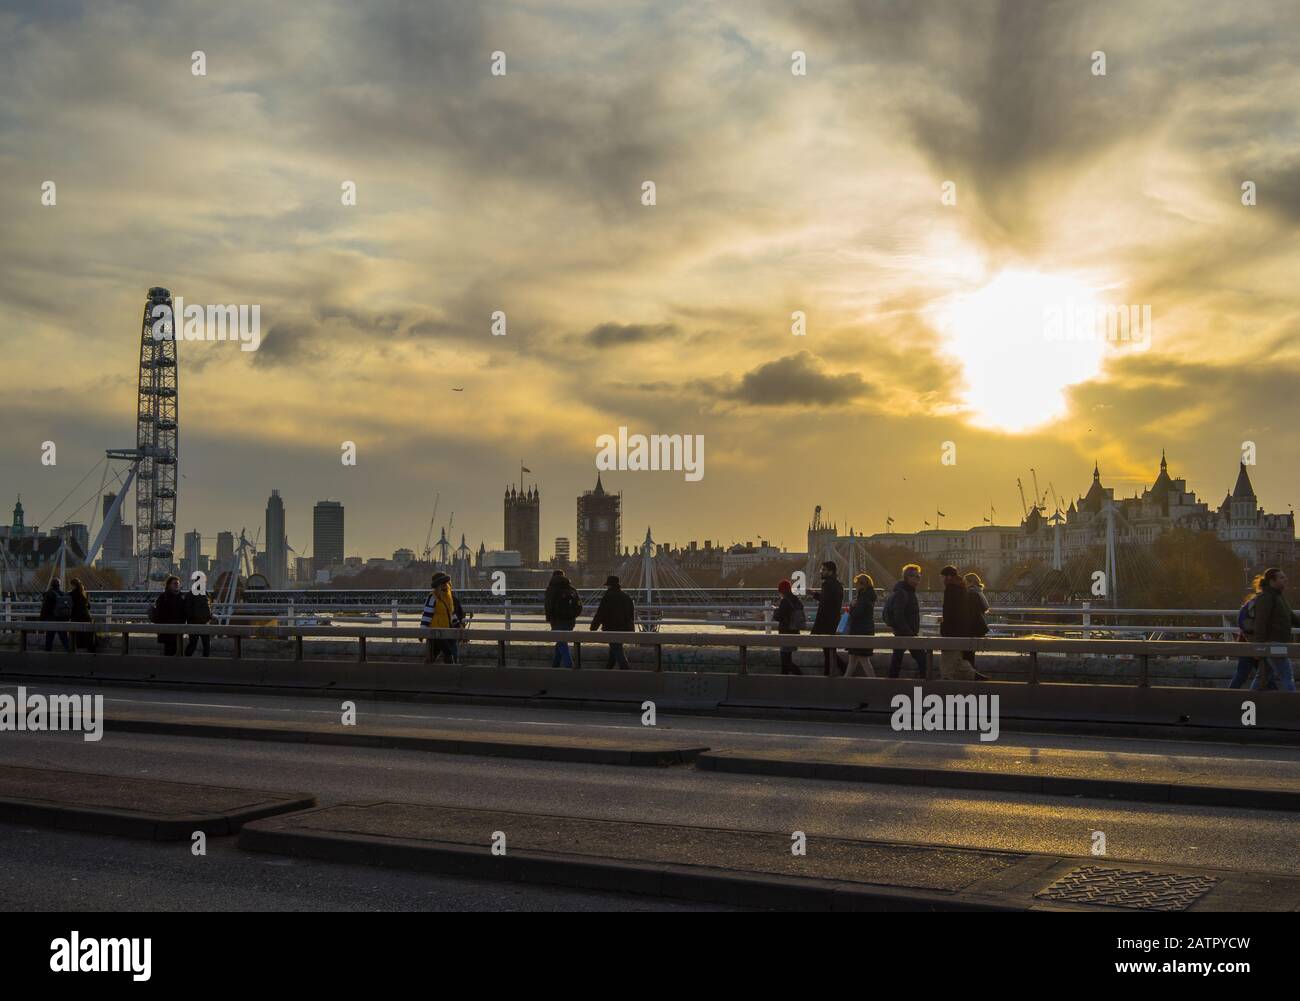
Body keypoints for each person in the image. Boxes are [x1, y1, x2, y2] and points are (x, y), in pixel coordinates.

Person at [1249, 567, 1298, 692]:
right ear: (1272, 581)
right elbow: (1260, 623)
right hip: (1273, 644)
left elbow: (1291, 617)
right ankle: (1294, 706)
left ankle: (1248, 700)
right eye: (1281, 577)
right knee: (1287, 675)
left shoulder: (1279, 596)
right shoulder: (1266, 597)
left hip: (1274, 644)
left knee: (1262, 677)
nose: (1285, 579)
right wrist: (1258, 648)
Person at [883, 564, 926, 678]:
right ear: (907, 577)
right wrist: (909, 633)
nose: (918, 578)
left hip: (904, 633)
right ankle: (926, 681)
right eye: (915, 576)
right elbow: (899, 616)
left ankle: (892, 681)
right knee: (923, 659)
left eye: (919, 576)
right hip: (906, 633)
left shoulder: (907, 591)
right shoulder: (903, 593)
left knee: (897, 660)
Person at [938, 565, 978, 680]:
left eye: (943, 577)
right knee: (958, 662)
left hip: (951, 633)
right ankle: (977, 677)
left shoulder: (950, 589)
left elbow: (949, 613)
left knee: (946, 666)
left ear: (949, 577)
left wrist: (943, 626)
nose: (942, 580)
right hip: (961, 631)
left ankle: (946, 692)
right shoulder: (961, 588)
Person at [810, 561, 848, 676]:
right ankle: (837, 669)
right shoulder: (838, 584)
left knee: (827, 651)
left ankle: (831, 673)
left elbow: (824, 604)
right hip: (834, 621)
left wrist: (814, 594)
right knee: (829, 649)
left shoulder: (827, 584)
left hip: (826, 622)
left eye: (824, 569)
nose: (821, 571)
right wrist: (815, 594)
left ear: (830, 571)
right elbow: (828, 601)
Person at [590, 574, 635, 669]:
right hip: (625, 628)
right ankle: (608, 668)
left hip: (611, 627)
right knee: (615, 647)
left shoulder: (607, 597)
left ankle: (626, 669)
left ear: (609, 585)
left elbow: (601, 613)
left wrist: (594, 626)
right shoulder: (626, 596)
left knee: (616, 648)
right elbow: (631, 614)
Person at [544, 569, 582, 668]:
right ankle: (555, 666)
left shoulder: (551, 589)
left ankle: (569, 666)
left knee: (562, 643)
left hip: (557, 621)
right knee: (561, 642)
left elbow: (548, 606)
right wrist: (573, 616)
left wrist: (549, 618)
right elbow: (579, 606)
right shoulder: (572, 589)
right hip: (570, 621)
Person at [420, 572, 458, 663]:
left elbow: (451, 613)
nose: (445, 586)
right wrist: (422, 631)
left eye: (446, 584)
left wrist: (458, 625)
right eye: (443, 584)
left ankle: (425, 672)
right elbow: (427, 615)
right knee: (448, 653)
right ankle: (450, 672)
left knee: (433, 655)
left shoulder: (447, 597)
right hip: (436, 632)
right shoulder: (432, 597)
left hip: (447, 631)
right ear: (438, 586)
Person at [844, 573, 875, 677]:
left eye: (857, 584)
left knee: (863, 659)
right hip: (865, 630)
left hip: (860, 631)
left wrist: (852, 606)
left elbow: (857, 614)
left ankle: (875, 683)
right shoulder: (869, 596)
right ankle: (844, 682)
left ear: (862, 585)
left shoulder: (863, 597)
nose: (856, 587)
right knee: (852, 659)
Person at [962, 572, 991, 682]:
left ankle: (971, 676)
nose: (963, 584)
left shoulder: (971, 593)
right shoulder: (978, 592)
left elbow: (970, 614)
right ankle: (972, 674)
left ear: (970, 582)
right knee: (970, 653)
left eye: (965, 581)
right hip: (978, 628)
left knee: (967, 654)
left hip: (972, 629)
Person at [772, 579, 805, 675]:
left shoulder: (785, 601)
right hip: (795, 631)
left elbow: (779, 616)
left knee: (785, 660)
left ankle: (800, 676)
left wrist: (776, 610)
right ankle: (785, 678)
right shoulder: (796, 599)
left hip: (786, 632)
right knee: (787, 658)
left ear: (781, 591)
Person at [150, 575, 187, 656]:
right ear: (169, 585)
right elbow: (159, 614)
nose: (177, 585)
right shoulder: (163, 597)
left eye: (178, 583)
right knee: (169, 651)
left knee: (178, 651)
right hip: (167, 629)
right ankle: (168, 666)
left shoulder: (182, 596)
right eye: (174, 583)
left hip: (179, 628)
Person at [40, 576, 72, 652]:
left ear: (51, 584)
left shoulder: (48, 594)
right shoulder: (63, 594)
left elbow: (45, 608)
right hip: (61, 619)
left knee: (49, 638)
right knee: (64, 638)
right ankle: (70, 653)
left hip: (51, 619)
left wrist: (41, 618)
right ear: (59, 585)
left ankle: (47, 654)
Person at [183, 584, 213, 657]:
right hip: (196, 623)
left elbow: (207, 607)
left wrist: (210, 615)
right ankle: (187, 658)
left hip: (203, 622)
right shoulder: (194, 593)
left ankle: (188, 659)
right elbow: (187, 608)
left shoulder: (204, 593)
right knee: (194, 644)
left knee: (206, 645)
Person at [68, 578, 95, 653]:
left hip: (77, 617)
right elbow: (89, 606)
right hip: (86, 616)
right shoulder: (84, 593)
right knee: (88, 635)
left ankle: (77, 652)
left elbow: (70, 607)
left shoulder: (71, 594)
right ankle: (90, 650)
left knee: (78, 635)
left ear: (73, 585)